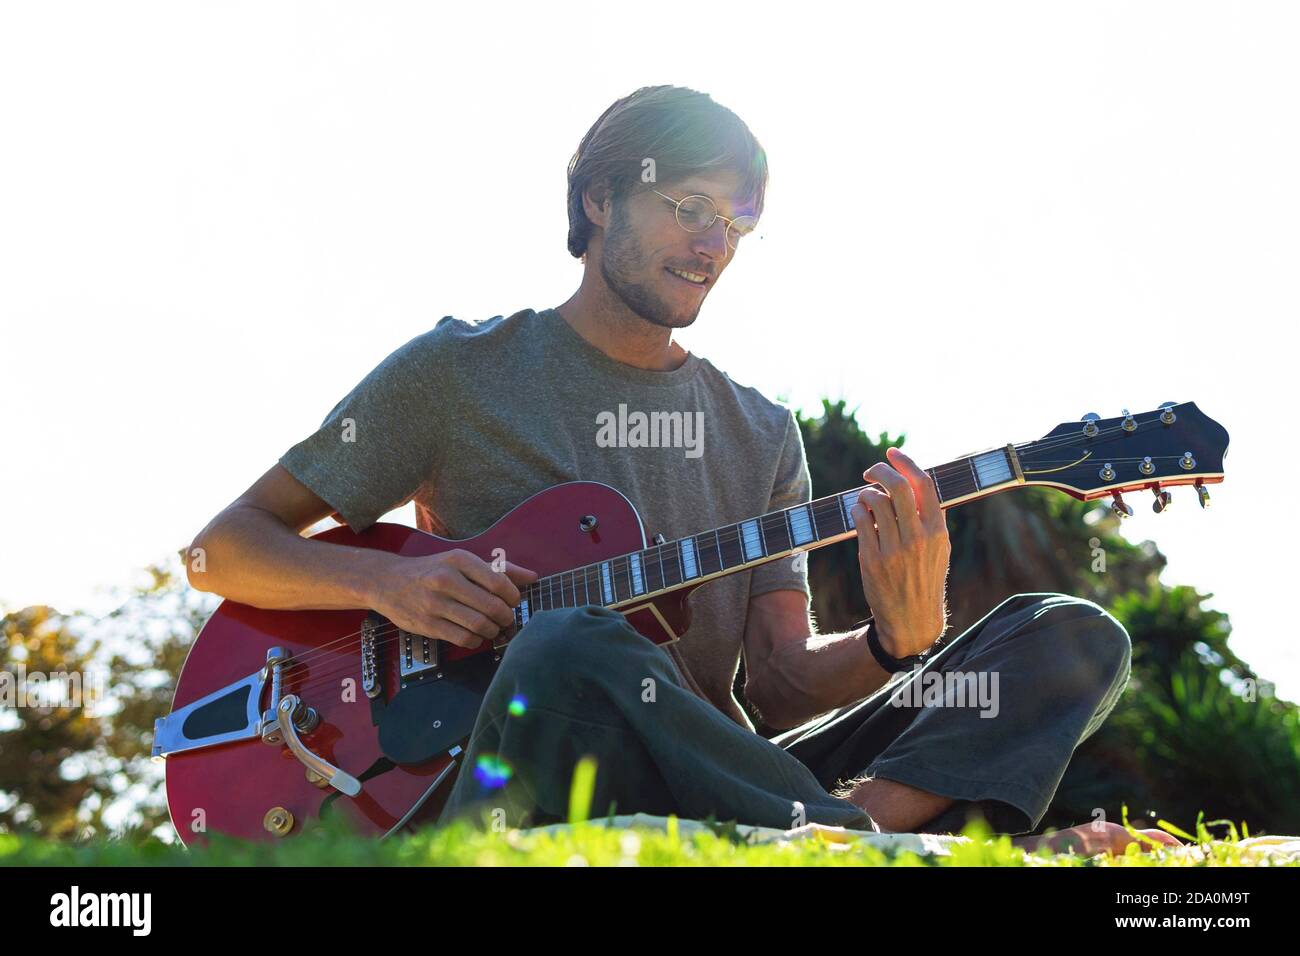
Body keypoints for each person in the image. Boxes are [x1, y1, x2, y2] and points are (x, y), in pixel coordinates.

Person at [186, 84, 1175, 857]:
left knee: (1069, 634)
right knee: (566, 646)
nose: (713, 247)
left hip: (731, 780)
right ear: (598, 197)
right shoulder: (456, 372)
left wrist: (893, 638)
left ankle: (844, 843)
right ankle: (869, 849)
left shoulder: (758, 431)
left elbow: (781, 684)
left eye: (735, 227)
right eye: (691, 208)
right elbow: (220, 548)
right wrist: (391, 581)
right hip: (522, 770)